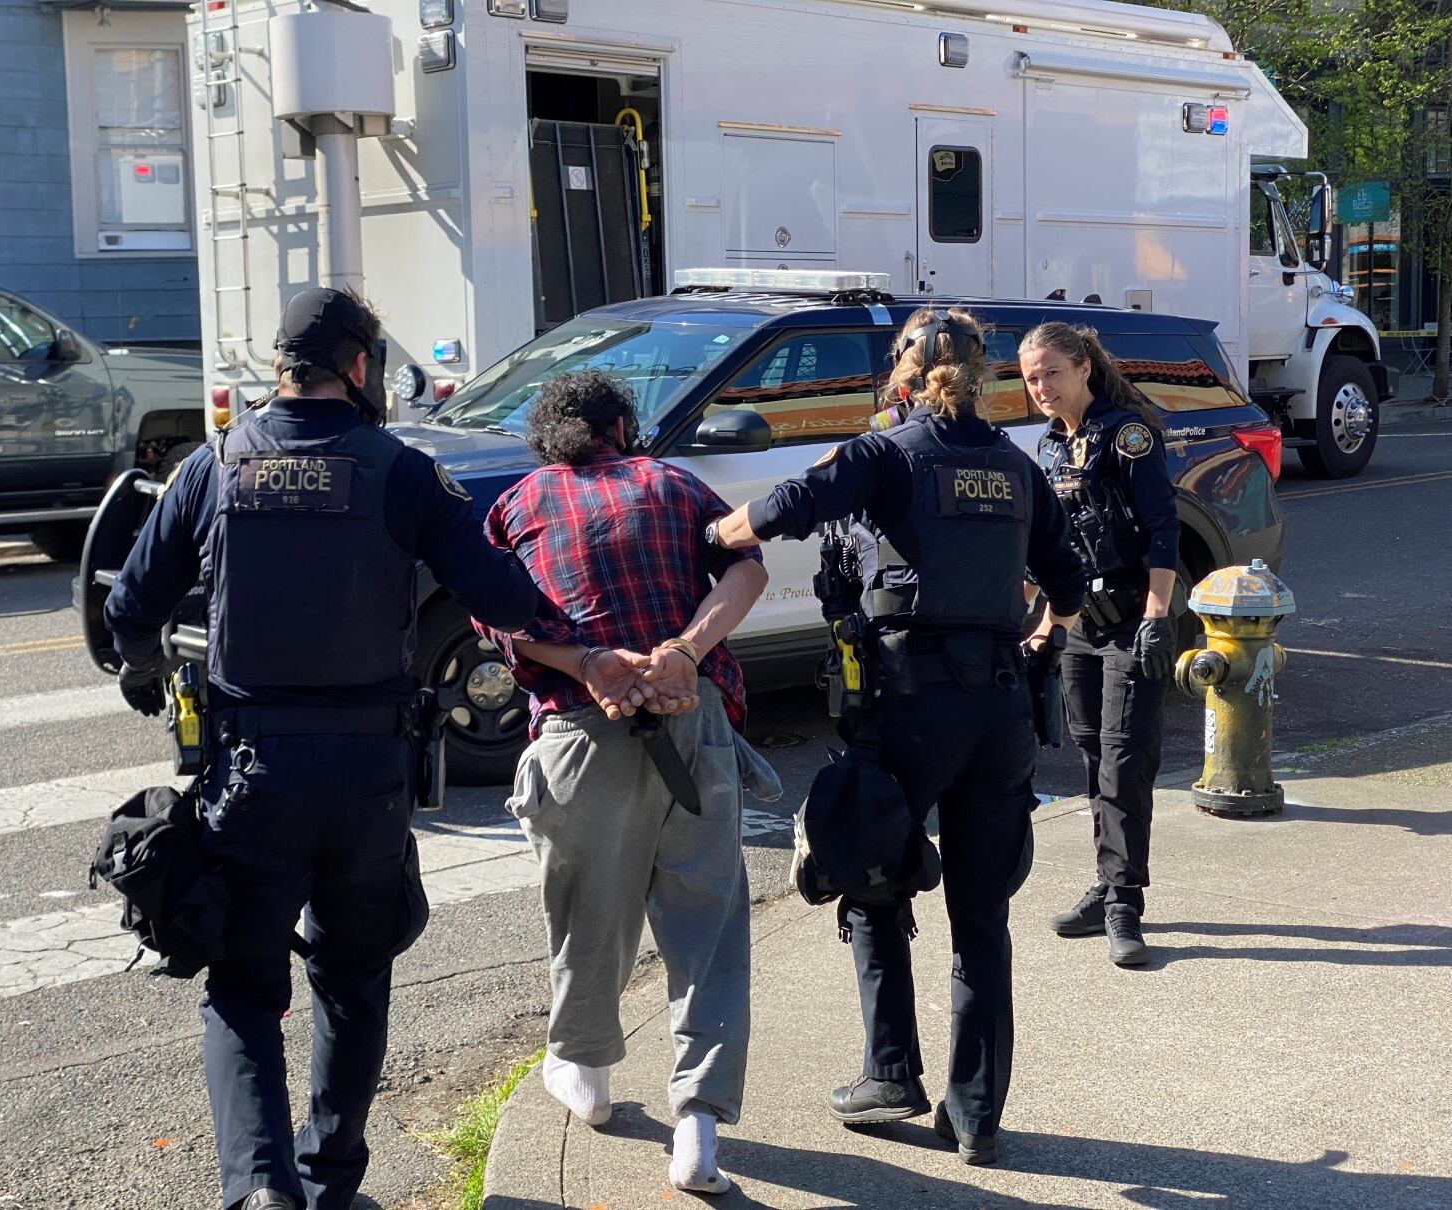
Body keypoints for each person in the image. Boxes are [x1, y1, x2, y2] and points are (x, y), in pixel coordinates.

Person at [104, 286, 540, 1210]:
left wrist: (145, 672)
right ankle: (329, 1175)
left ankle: (261, 1190)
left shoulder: (215, 464)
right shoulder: (401, 469)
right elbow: (503, 601)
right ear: (359, 367)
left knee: (243, 984)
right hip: (368, 779)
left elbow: (131, 607)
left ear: (278, 368)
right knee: (352, 977)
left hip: (250, 773)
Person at [709, 308, 1086, 1166]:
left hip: (909, 699)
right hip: (996, 707)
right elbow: (1066, 579)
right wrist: (1040, 635)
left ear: (904, 377)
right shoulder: (1013, 466)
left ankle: (890, 1074)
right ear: (985, 375)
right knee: (981, 918)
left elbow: (789, 505)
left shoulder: (887, 452)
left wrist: (713, 536)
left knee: (871, 868)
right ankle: (975, 1113)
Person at [473, 369, 770, 1195]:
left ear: (548, 434)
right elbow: (745, 570)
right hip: (693, 721)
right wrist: (682, 652)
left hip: (578, 736)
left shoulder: (517, 504)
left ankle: (589, 1081)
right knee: (706, 927)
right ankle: (700, 1125)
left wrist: (592, 661)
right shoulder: (674, 483)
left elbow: (494, 614)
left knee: (585, 921)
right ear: (620, 425)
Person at [1019, 321, 1181, 968]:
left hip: (1128, 619)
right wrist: (1043, 624)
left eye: (1051, 373)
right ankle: (1105, 882)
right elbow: (1049, 547)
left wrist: (1157, 616)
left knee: (1123, 760)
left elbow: (1162, 527)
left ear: (1083, 368)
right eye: (1031, 378)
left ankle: (1123, 904)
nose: (1040, 387)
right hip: (1079, 622)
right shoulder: (1051, 447)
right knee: (1091, 754)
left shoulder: (1127, 434)